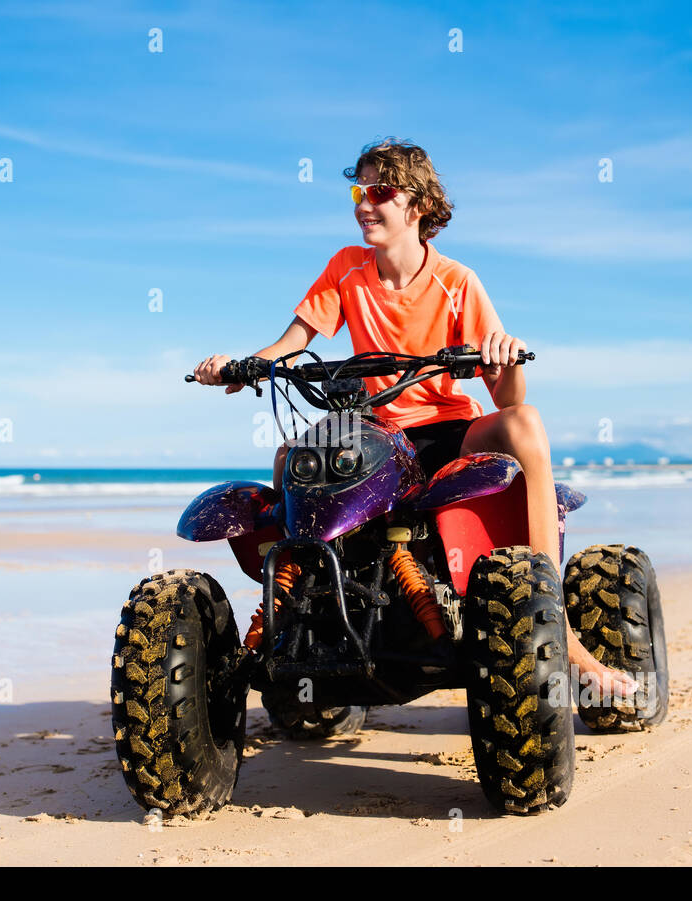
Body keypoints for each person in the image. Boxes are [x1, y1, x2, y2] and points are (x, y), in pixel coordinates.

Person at [193, 137, 637, 699]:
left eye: (381, 190)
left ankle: (559, 624)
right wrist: (240, 367)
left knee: (525, 422)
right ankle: (301, 623)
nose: (363, 202)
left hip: (447, 432)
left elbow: (505, 395)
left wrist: (501, 352)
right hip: (377, 437)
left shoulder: (457, 282)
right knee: (292, 457)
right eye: (359, 189)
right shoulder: (347, 268)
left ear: (418, 204)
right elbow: (292, 342)